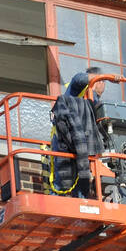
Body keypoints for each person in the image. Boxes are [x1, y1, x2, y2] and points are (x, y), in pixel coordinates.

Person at [47, 66, 111, 198]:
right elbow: (78, 79)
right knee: (63, 173)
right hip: (64, 138)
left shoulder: (97, 102)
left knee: (81, 176)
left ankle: (80, 200)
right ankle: (58, 201)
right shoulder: (79, 88)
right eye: (103, 80)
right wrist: (102, 76)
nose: (103, 84)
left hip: (82, 143)